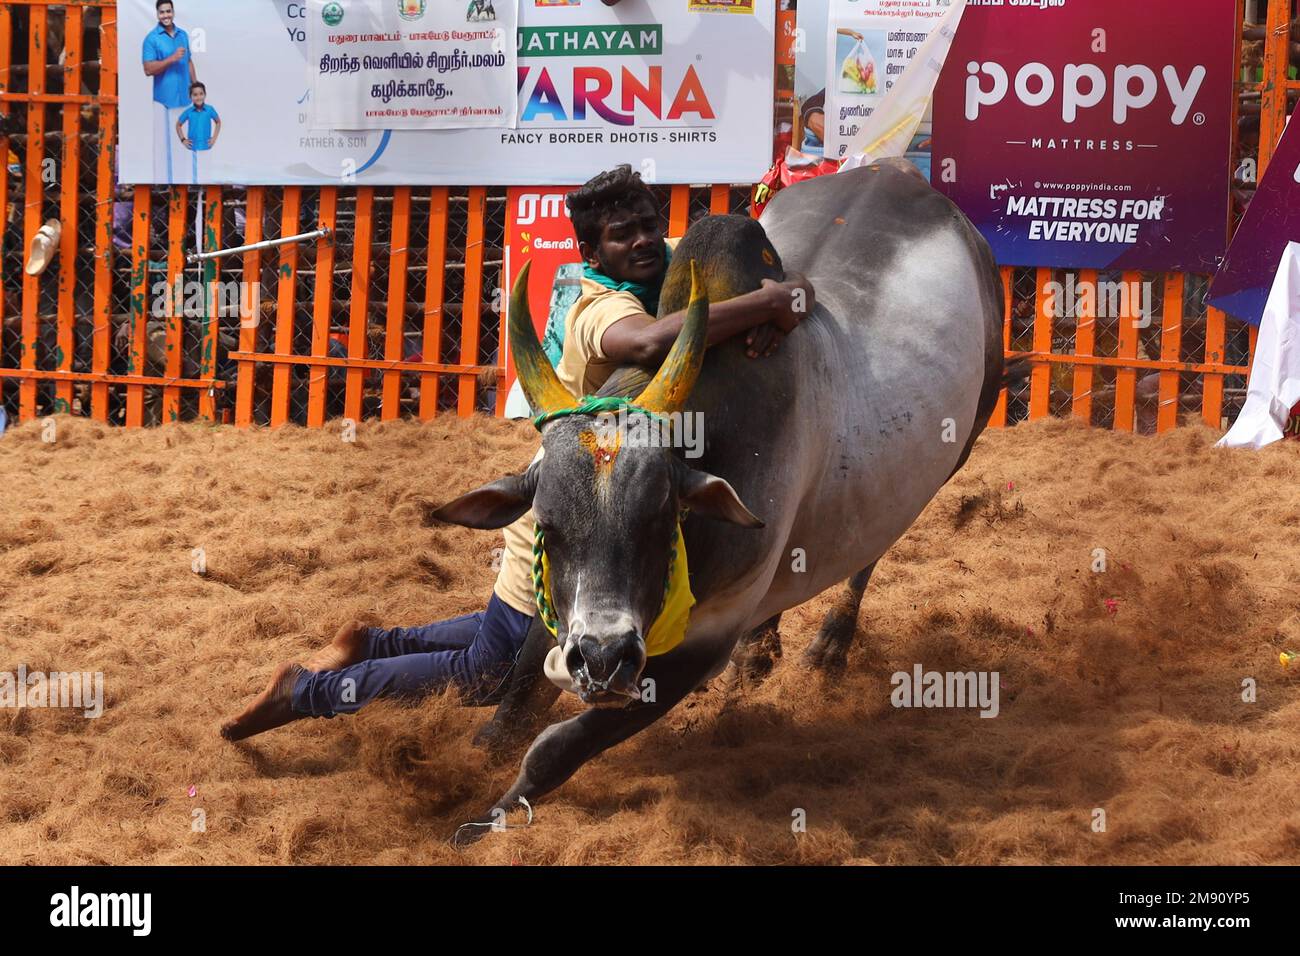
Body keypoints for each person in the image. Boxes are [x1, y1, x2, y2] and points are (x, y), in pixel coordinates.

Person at [220, 164, 814, 741]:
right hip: (570, 510)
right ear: (591, 253)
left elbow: (801, 284)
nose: (641, 241)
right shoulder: (595, 309)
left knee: (499, 634)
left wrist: (787, 301)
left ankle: (369, 645)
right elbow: (651, 341)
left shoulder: (668, 260)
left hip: (620, 502)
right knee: (494, 670)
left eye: (647, 226)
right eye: (621, 235)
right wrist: (766, 307)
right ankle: (306, 691)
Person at [141, 1, 196, 185]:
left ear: (173, 12)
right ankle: (162, 185)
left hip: (185, 98)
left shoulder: (183, 35)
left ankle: (185, 183)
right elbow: (148, 69)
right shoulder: (151, 39)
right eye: (162, 12)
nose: (166, 15)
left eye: (168, 11)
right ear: (157, 14)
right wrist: (171, 58)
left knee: (185, 142)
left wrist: (195, 85)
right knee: (163, 145)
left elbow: (188, 61)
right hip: (164, 100)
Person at [175, 81, 220, 186]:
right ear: (190, 97)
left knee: (206, 173)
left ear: (205, 94)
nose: (198, 97)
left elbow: (218, 122)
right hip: (192, 149)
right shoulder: (189, 111)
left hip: (206, 147)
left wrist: (214, 138)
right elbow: (178, 125)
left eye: (201, 94)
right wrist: (183, 140)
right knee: (193, 174)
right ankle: (194, 188)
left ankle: (205, 188)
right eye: (195, 94)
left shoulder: (210, 109)